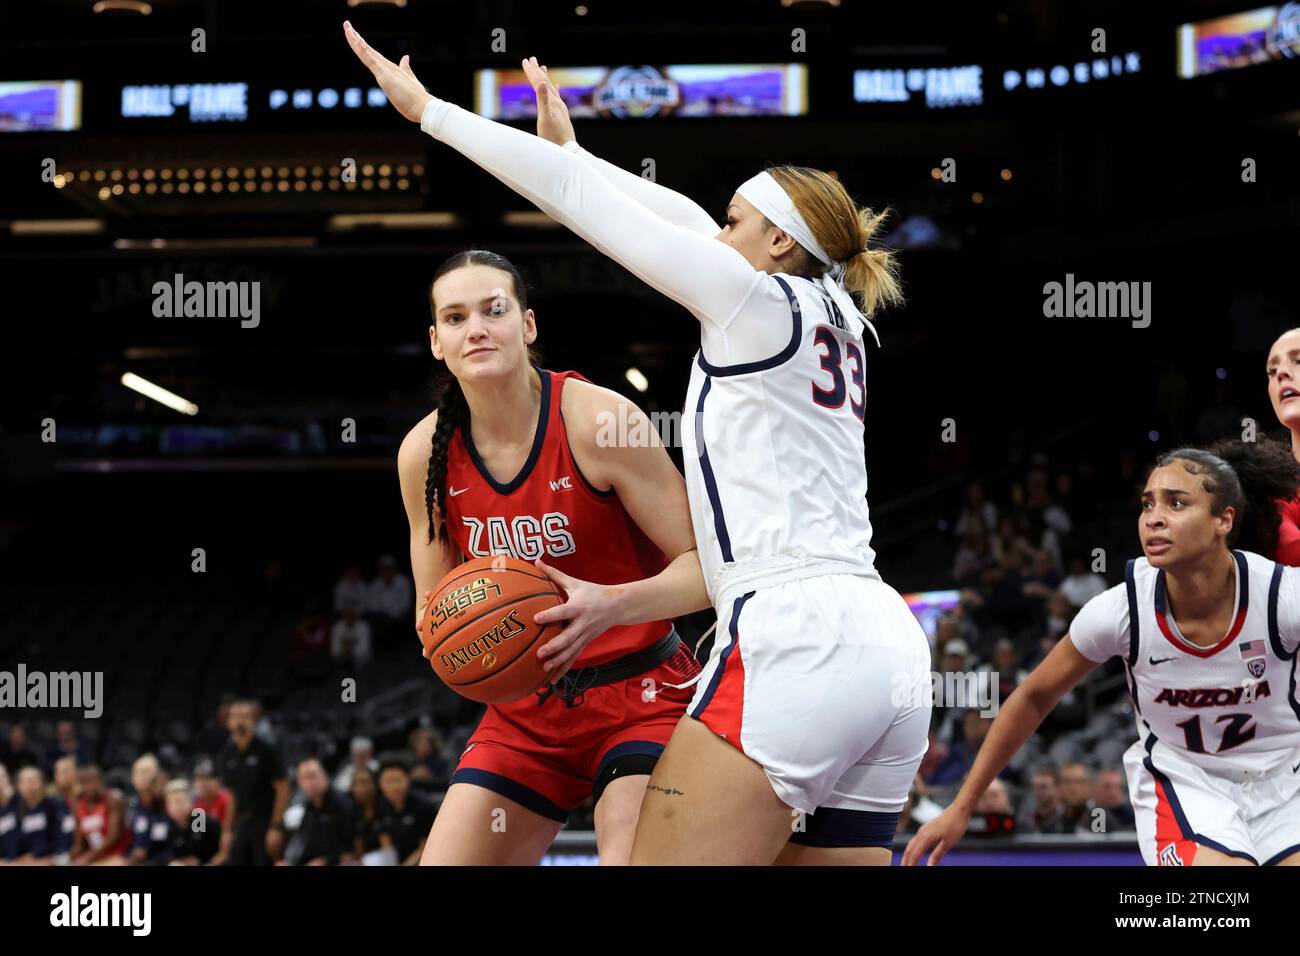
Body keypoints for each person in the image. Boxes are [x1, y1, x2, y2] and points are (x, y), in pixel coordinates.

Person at [349, 27, 930, 865]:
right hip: (883, 641)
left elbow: (605, 221)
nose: (716, 239)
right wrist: (577, 154)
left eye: (738, 223)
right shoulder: (835, 307)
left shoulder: (749, 299)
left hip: (794, 630)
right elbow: (685, 222)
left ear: (777, 243)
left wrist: (432, 113)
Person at [397, 248, 707, 866]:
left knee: (630, 859)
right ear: (437, 342)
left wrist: (610, 607)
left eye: (493, 310)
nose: (476, 328)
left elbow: (712, 570)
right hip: (524, 713)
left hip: (640, 695)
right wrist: (457, 639)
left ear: (528, 325)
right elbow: (432, 612)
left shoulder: (600, 421)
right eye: (455, 318)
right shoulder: (421, 455)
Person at [905, 442, 1300, 866]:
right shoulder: (1120, 610)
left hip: (1285, 776)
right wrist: (963, 804)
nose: (1155, 518)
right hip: (1186, 783)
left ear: (1224, 519)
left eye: (1177, 503)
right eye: (1147, 505)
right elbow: (1034, 695)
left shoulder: (1282, 596)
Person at [217, 699, 289, 866]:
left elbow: (283, 789)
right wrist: (227, 831)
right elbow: (232, 795)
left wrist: (276, 826)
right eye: (235, 716)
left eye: (245, 716)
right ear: (228, 722)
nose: (239, 721)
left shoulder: (267, 749)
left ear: (254, 721)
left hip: (265, 820)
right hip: (243, 821)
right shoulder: (227, 754)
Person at [278, 758, 355, 866]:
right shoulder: (306, 805)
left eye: (313, 776)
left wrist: (327, 860)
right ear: (299, 782)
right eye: (304, 778)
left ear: (324, 775)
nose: (310, 782)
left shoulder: (341, 803)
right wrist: (290, 861)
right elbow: (301, 841)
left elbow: (350, 846)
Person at [154, 779, 222, 866]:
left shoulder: (201, 820)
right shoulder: (167, 825)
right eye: (173, 802)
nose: (178, 806)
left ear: (191, 802)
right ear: (167, 806)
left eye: (181, 801)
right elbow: (160, 852)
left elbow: (218, 851)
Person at [71, 764, 130, 864]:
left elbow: (113, 837)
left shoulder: (113, 800)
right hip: (94, 857)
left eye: (92, 781)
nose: (89, 787)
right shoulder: (78, 808)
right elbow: (79, 845)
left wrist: (88, 857)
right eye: (84, 782)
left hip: (116, 855)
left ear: (101, 781)